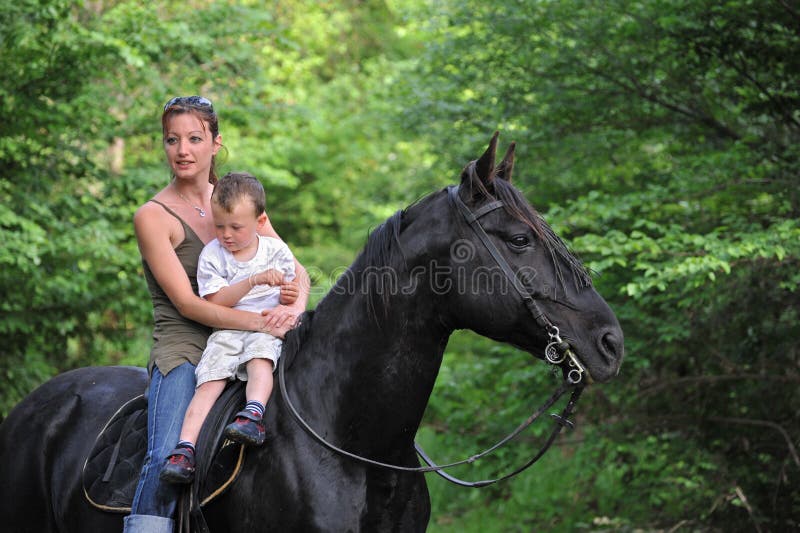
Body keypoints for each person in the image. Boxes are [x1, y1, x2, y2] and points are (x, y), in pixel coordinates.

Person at [124, 96, 309, 533]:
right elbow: (189, 305)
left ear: (215, 143)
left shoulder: (235, 199)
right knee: (168, 448)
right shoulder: (153, 216)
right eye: (172, 140)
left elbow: (294, 268)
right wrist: (263, 322)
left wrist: (295, 310)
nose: (182, 150)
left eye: (194, 138)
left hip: (256, 332)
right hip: (187, 343)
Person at [159, 172, 295, 484]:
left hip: (263, 328)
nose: (226, 234)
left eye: (236, 227)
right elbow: (216, 301)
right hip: (226, 330)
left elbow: (290, 293)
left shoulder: (276, 251)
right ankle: (185, 449)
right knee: (209, 382)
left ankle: (253, 414)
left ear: (260, 222)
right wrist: (253, 280)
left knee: (261, 360)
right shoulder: (213, 255)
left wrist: (286, 301)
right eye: (219, 226)